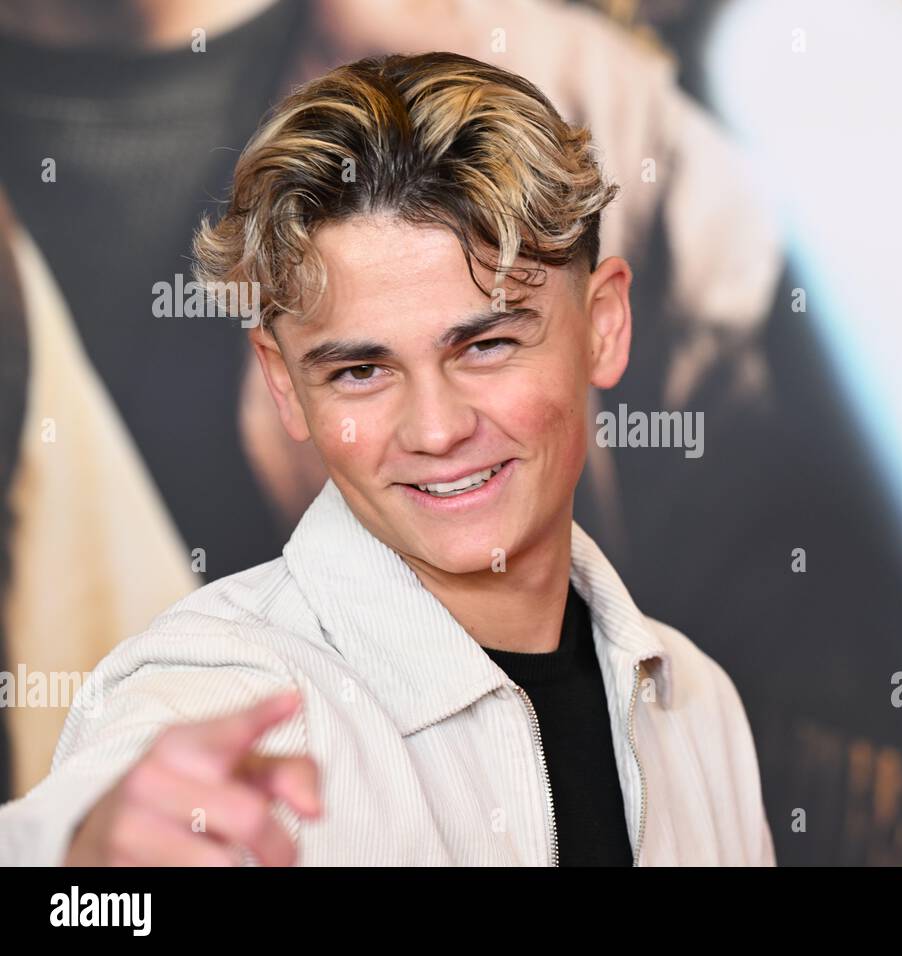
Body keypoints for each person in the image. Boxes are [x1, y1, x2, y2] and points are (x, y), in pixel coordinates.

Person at [0, 51, 775, 867]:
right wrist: (82, 859)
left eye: (486, 346)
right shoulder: (223, 691)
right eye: (361, 371)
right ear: (285, 385)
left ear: (605, 326)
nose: (435, 430)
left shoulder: (695, 702)